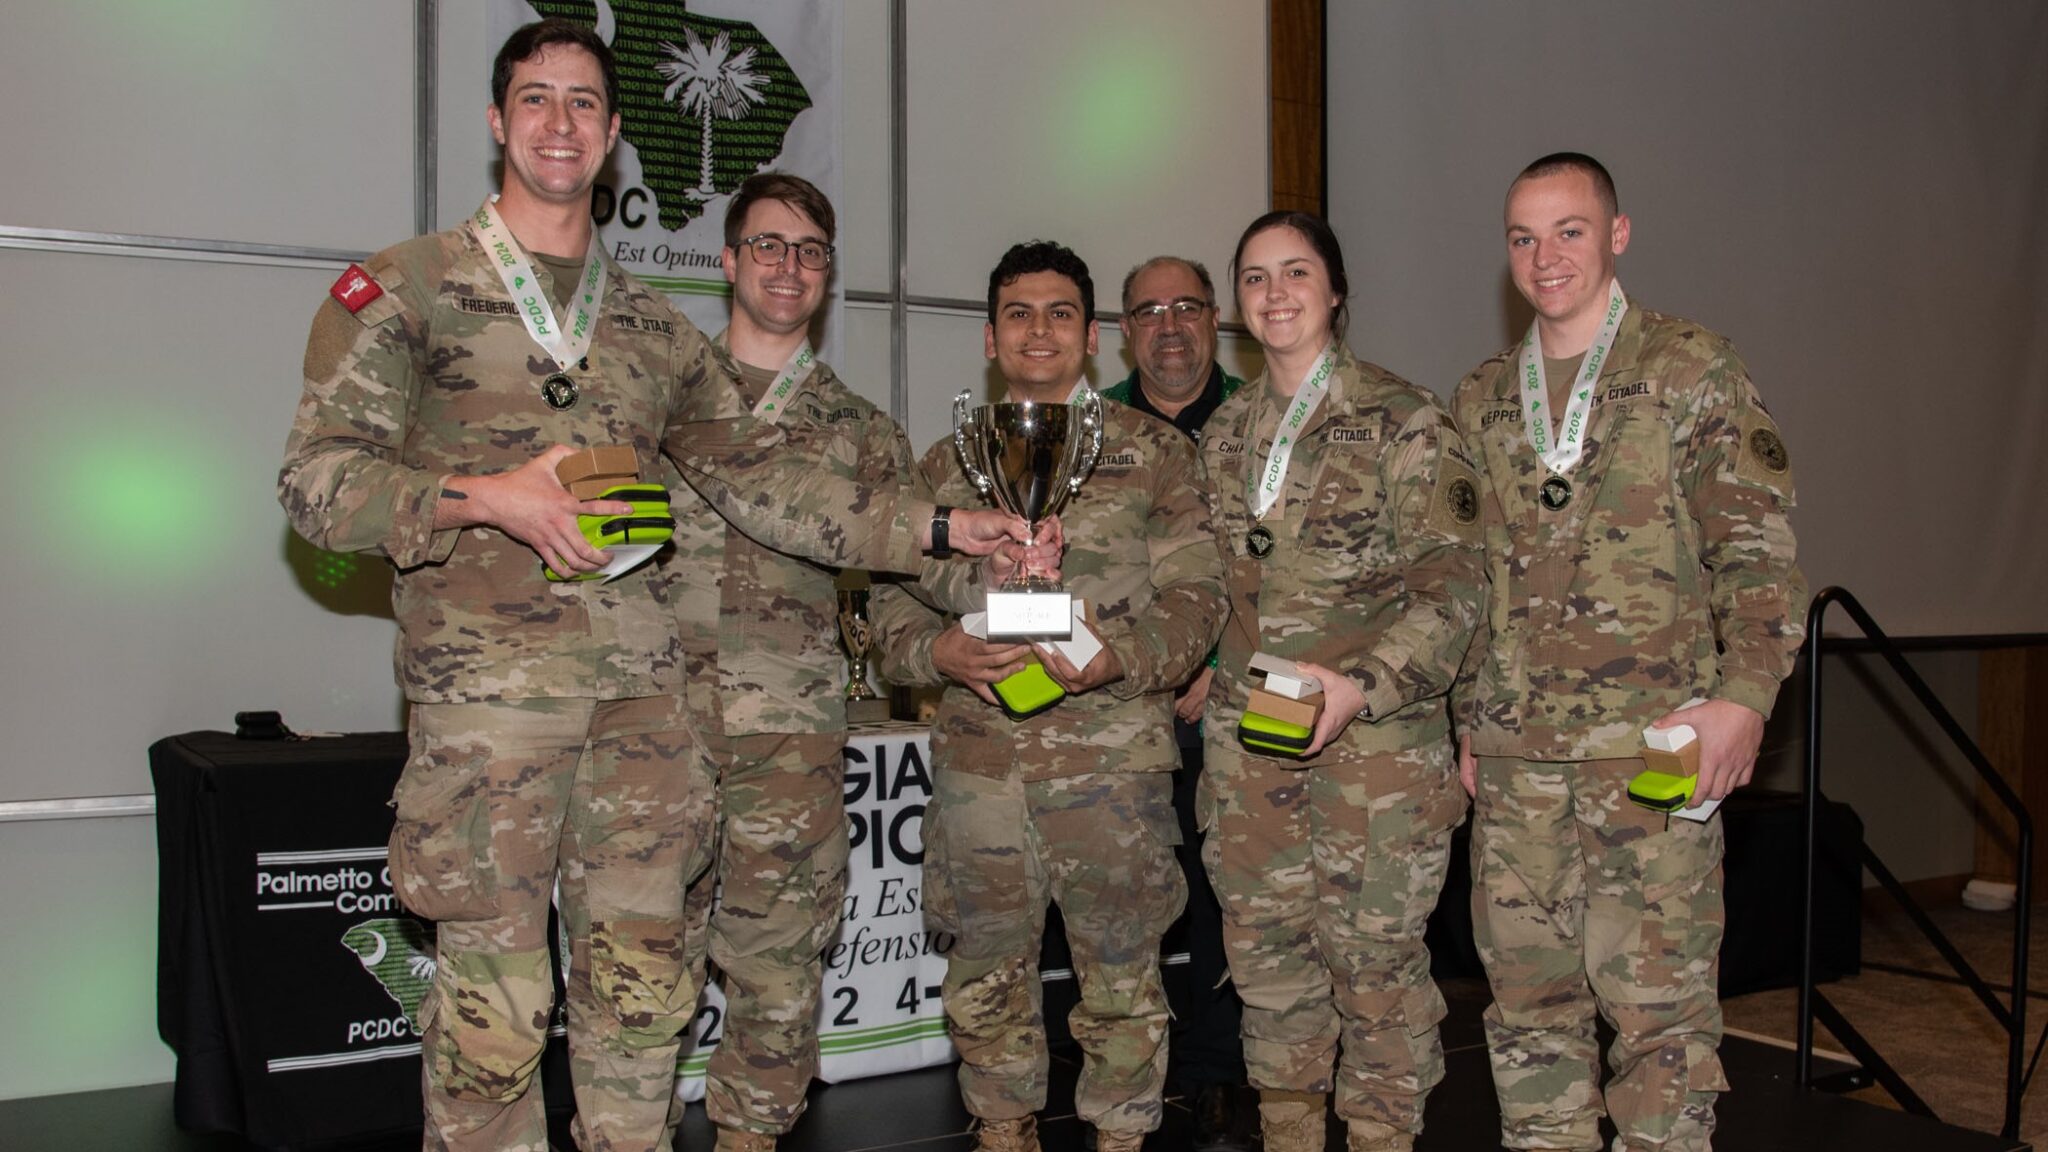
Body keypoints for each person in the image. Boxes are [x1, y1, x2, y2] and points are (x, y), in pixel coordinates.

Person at [276, 20, 1024, 1150]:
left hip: (645, 716)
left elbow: (772, 486)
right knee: (496, 1010)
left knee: (641, 1000)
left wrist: (942, 523)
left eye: (583, 104)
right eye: (537, 99)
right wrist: (489, 498)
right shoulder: (405, 288)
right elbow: (319, 486)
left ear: (616, 135)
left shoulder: (652, 334)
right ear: (496, 121)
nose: (560, 124)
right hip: (494, 714)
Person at [1450, 152, 1806, 1152]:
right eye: (1522, 237)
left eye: (1567, 230)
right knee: (1526, 1015)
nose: (1543, 255)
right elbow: (1468, 580)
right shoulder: (1480, 397)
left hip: (1651, 753)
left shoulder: (1687, 368)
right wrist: (1466, 721)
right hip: (1517, 762)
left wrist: (1743, 697)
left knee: (1656, 1017)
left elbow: (1755, 547)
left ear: (1615, 234)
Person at [868, 241, 1227, 1152]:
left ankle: (1122, 1137)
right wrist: (937, 650)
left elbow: (1200, 600)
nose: (1040, 330)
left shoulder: (1154, 457)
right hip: (982, 771)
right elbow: (884, 604)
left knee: (1122, 977)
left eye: (1060, 313)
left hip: (1113, 771)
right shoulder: (947, 465)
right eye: (1020, 314)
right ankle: (1002, 1130)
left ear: (1094, 337)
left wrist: (1122, 660)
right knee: (985, 974)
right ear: (990, 336)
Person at [1197, 211, 1485, 1152]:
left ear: (1336, 292)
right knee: (1269, 966)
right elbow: (1208, 583)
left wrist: (1361, 684)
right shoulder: (1226, 429)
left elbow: (1457, 590)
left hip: (1377, 763)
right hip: (1251, 762)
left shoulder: (1406, 419)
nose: (1275, 294)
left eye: (1295, 273)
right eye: (1254, 278)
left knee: (1376, 975)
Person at [668, 172, 919, 1152]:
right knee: (637, 980)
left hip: (789, 743)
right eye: (767, 246)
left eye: (809, 251)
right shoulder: (656, 403)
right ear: (728, 263)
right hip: (656, 738)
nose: (788, 266)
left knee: (777, 982)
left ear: (827, 276)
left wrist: (975, 624)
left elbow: (904, 590)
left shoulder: (862, 435)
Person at [1102, 256, 1251, 1151]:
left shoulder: (1260, 418)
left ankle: (1215, 1074)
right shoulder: (1091, 430)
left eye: (1186, 307)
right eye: (1148, 310)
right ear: (1123, 329)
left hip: (1221, 707)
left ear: (1215, 319)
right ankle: (1129, 1069)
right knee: (1123, 898)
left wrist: (1217, 661)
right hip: (1113, 708)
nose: (1168, 325)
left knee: (1221, 899)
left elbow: (1282, 572)